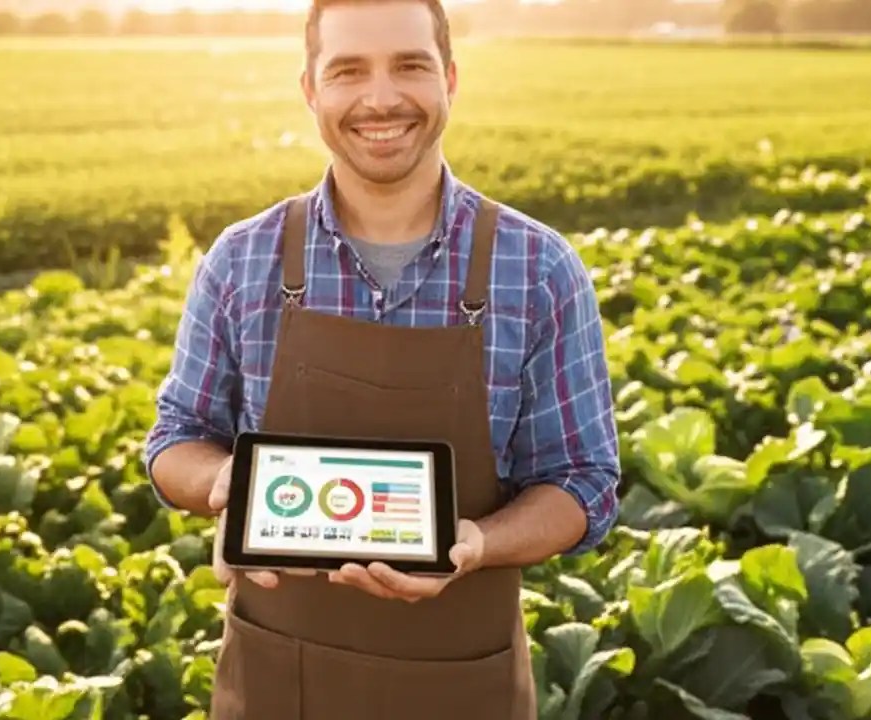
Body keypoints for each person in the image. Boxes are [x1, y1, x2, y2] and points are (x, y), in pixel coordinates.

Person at [143, 0, 621, 717]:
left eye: (409, 66)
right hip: (279, 685)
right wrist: (230, 485)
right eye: (347, 71)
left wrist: (479, 543)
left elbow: (585, 484)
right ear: (310, 89)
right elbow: (174, 439)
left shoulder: (540, 268)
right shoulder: (242, 260)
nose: (380, 98)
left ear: (450, 79)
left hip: (465, 686)